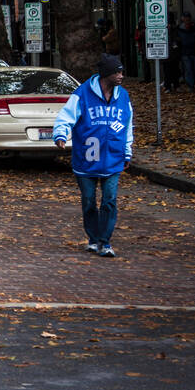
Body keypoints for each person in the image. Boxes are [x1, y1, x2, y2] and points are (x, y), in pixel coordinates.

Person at [52, 53, 133, 258]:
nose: (121, 76)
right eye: (117, 72)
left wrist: (127, 151)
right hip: (86, 159)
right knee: (89, 200)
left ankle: (105, 242)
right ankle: (92, 238)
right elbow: (65, 116)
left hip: (113, 158)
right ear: (106, 74)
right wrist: (61, 134)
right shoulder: (82, 94)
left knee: (109, 200)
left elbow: (128, 125)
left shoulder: (123, 96)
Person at [178, 12, 195, 91]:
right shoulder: (179, 28)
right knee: (188, 69)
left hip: (194, 51)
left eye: (188, 18)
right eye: (185, 18)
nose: (187, 19)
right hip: (185, 52)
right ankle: (191, 85)